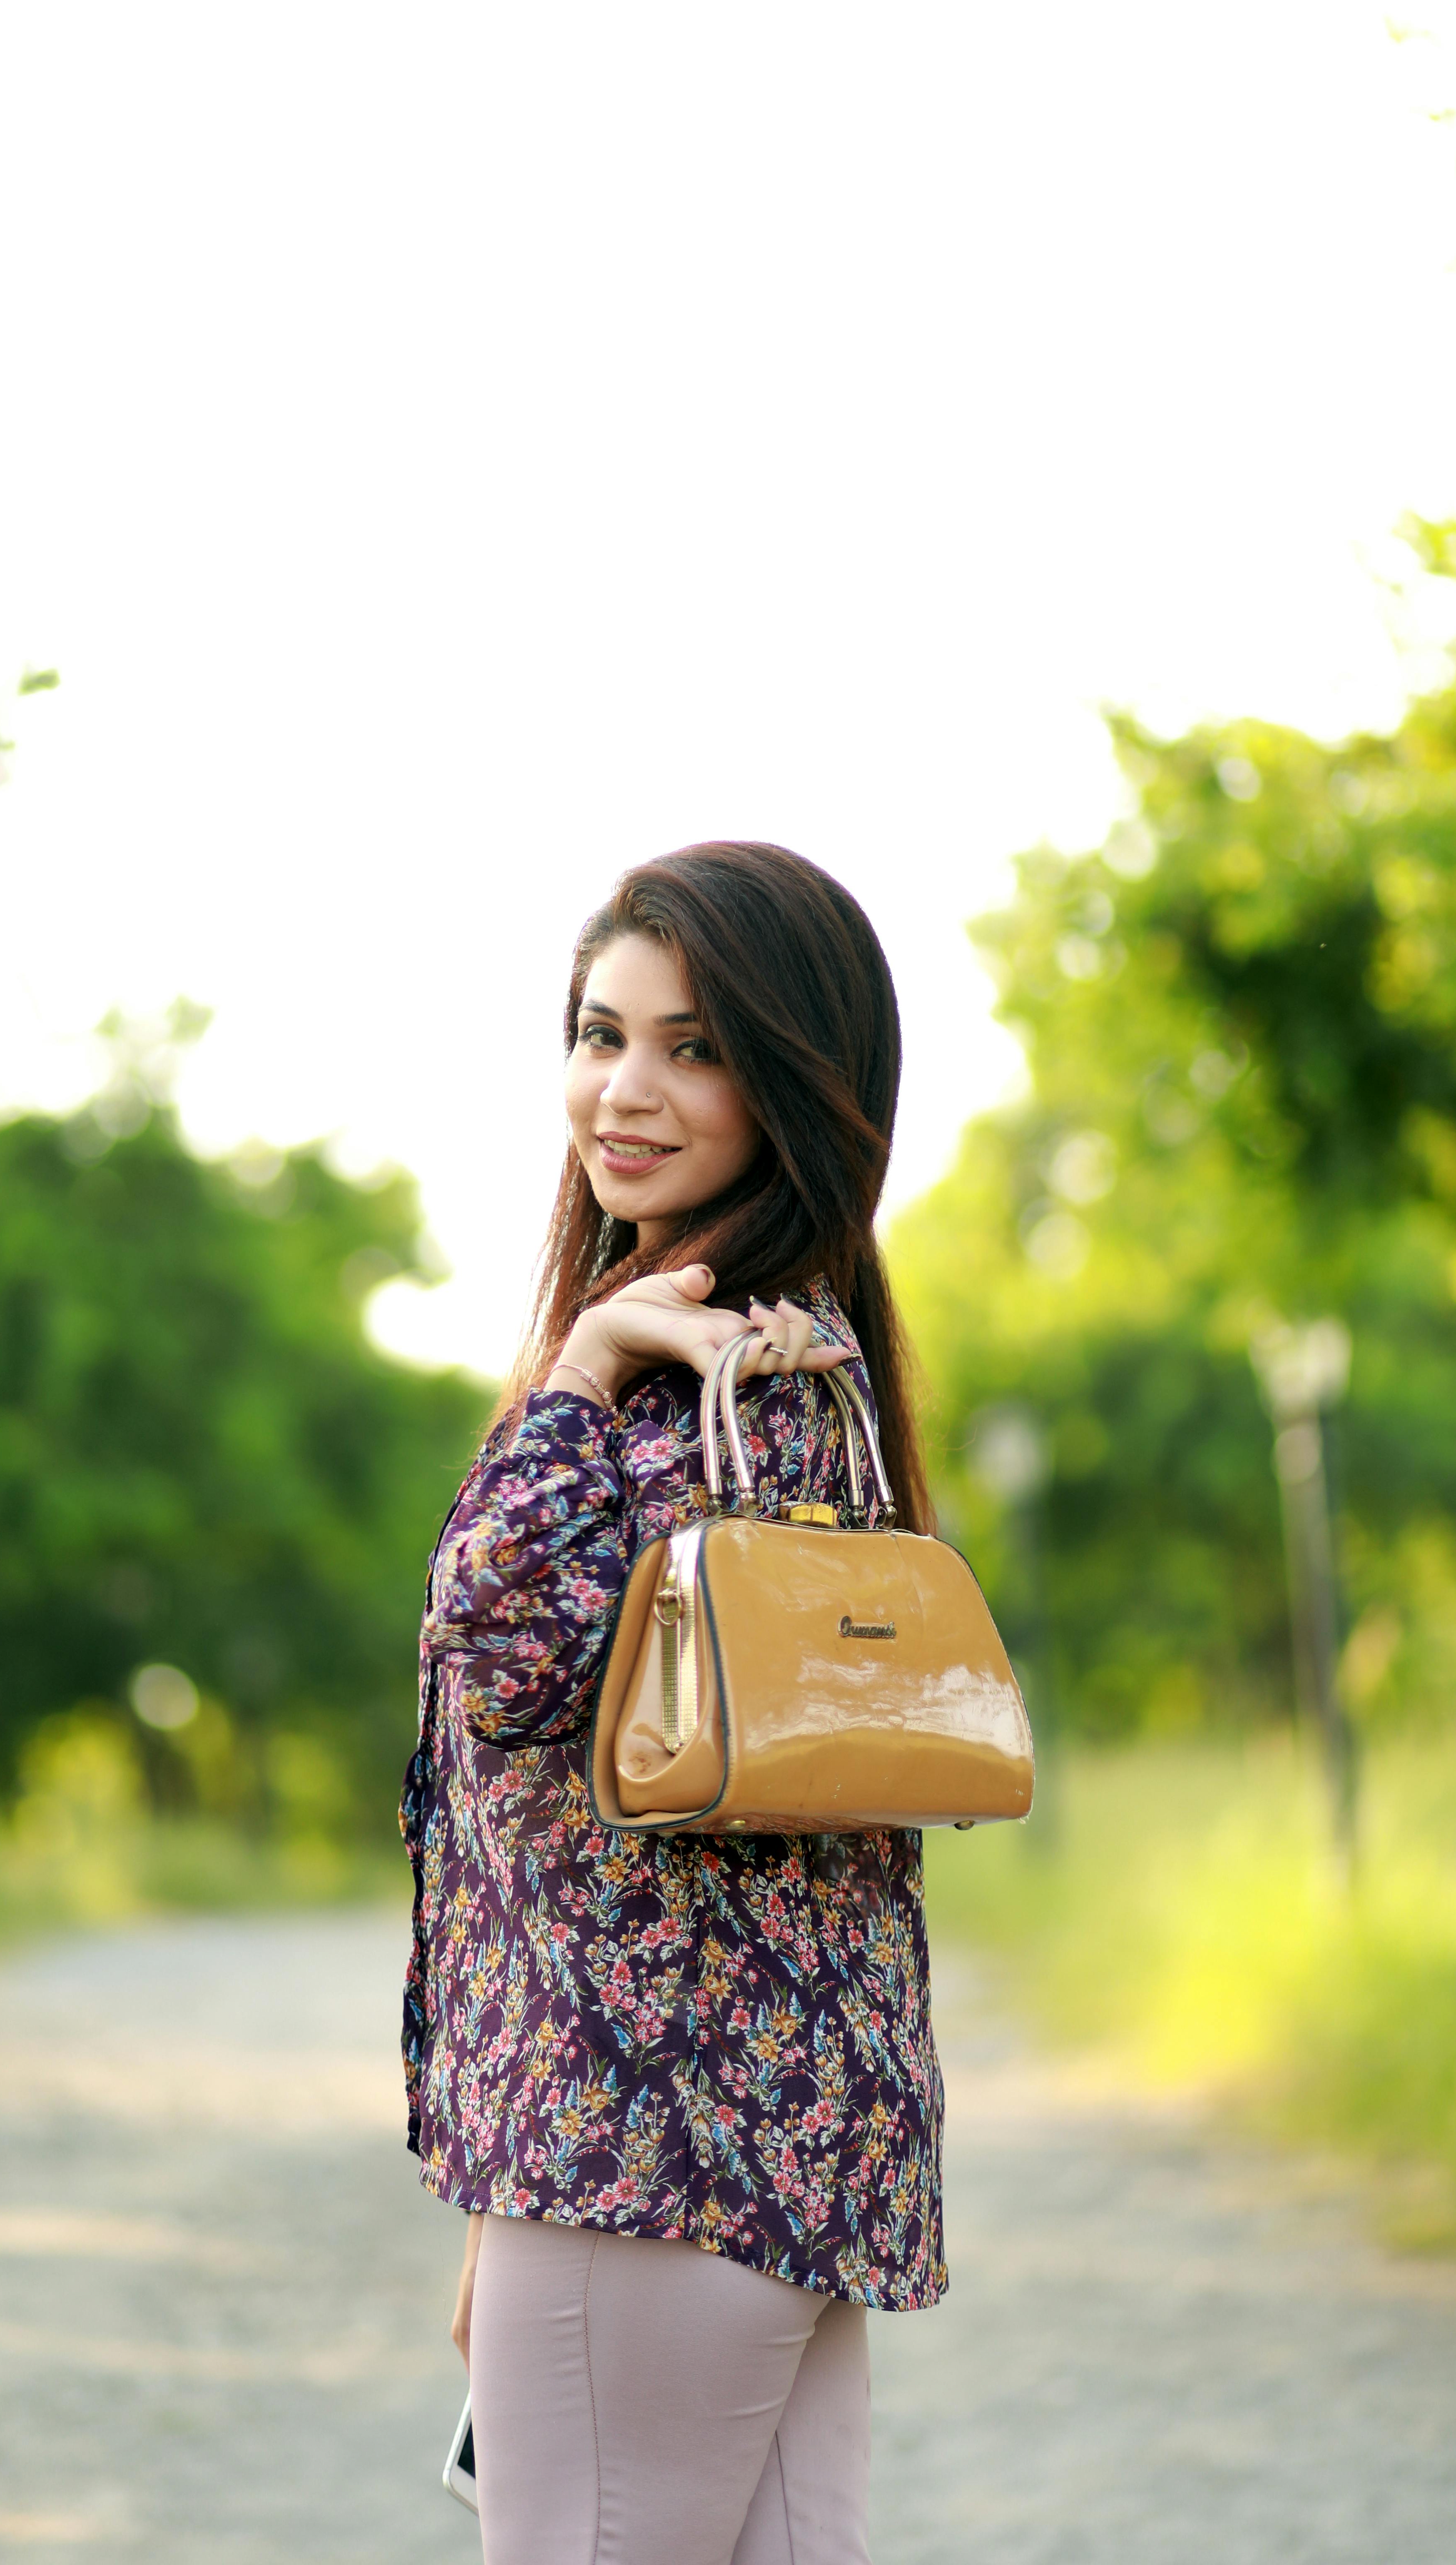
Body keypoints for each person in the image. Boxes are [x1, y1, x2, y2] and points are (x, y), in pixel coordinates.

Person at [401, 841, 945, 2565]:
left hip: (645, 2145)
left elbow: (507, 1661)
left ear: (800, 1081)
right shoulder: (802, 1363)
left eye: (694, 1047)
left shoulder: (709, 1377)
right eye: (599, 1033)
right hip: (760, 2150)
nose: (622, 1091)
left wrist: (572, 1376)